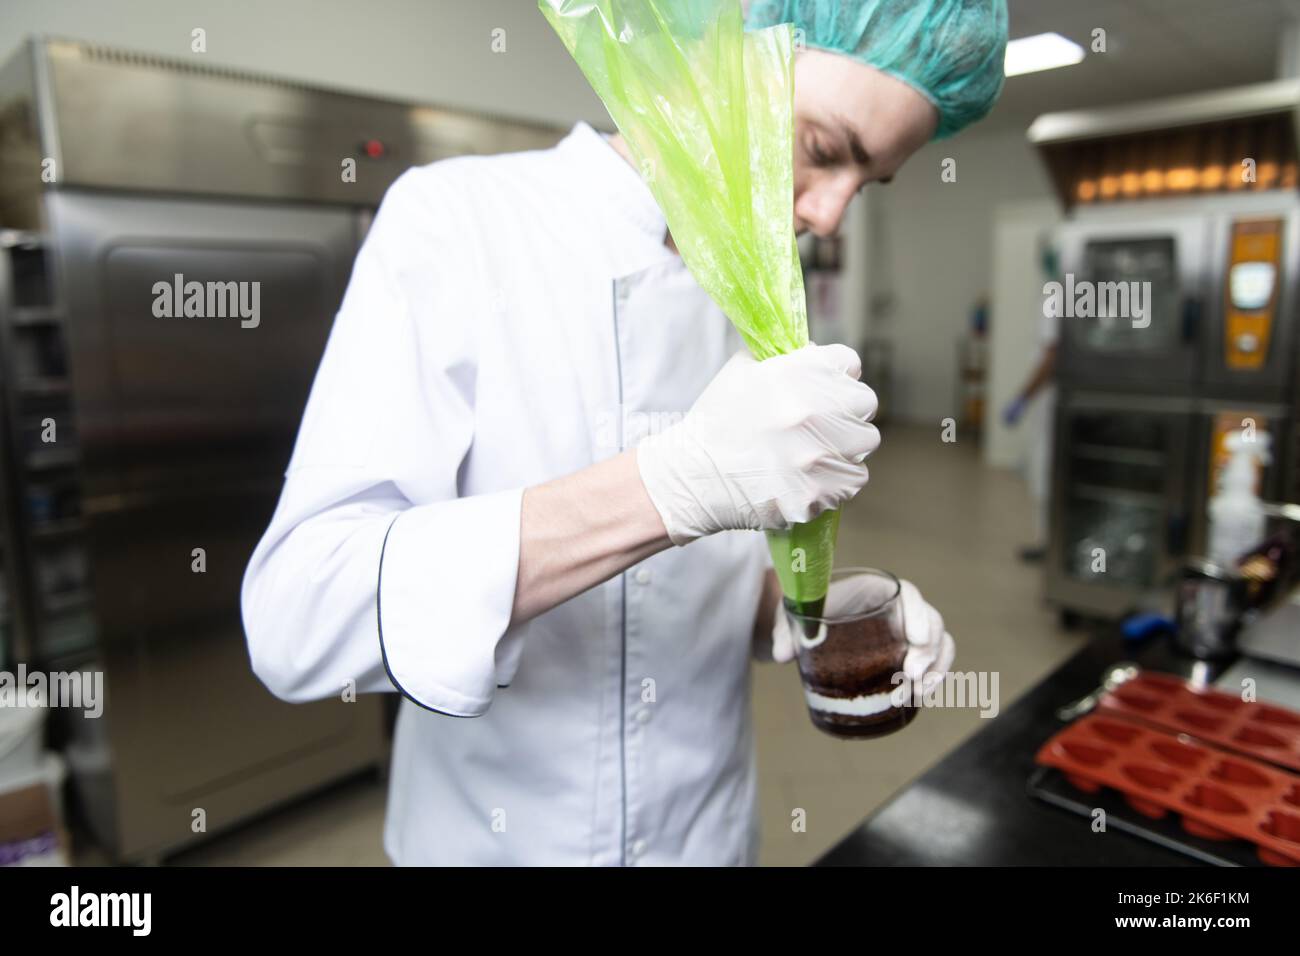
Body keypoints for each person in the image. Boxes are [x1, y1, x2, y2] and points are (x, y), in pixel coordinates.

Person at [242, 0, 1008, 865]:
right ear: (710, 55)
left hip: (706, 836)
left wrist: (800, 612)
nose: (831, 215)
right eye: (825, 152)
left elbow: (699, 588)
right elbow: (299, 619)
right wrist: (665, 486)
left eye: (866, 184)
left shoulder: (761, 291)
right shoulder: (459, 221)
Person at [1003, 233, 1060, 563]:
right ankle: (1050, 540)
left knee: (1047, 470)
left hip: (1051, 401)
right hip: (1051, 401)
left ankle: (1048, 543)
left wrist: (1022, 398)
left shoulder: (1057, 295)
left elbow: (1051, 355)